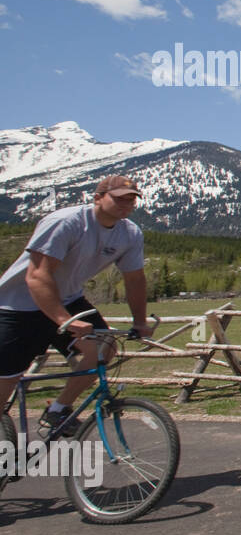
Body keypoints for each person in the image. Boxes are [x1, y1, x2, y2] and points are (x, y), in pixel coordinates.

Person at [0, 175, 153, 436]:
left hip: (68, 299)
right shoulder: (66, 223)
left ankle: (59, 409)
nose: (125, 204)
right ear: (97, 198)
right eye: (118, 198)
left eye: (131, 200)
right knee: (6, 382)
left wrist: (140, 322)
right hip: (18, 306)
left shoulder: (129, 233)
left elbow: (135, 279)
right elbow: (37, 276)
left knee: (104, 348)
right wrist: (62, 319)